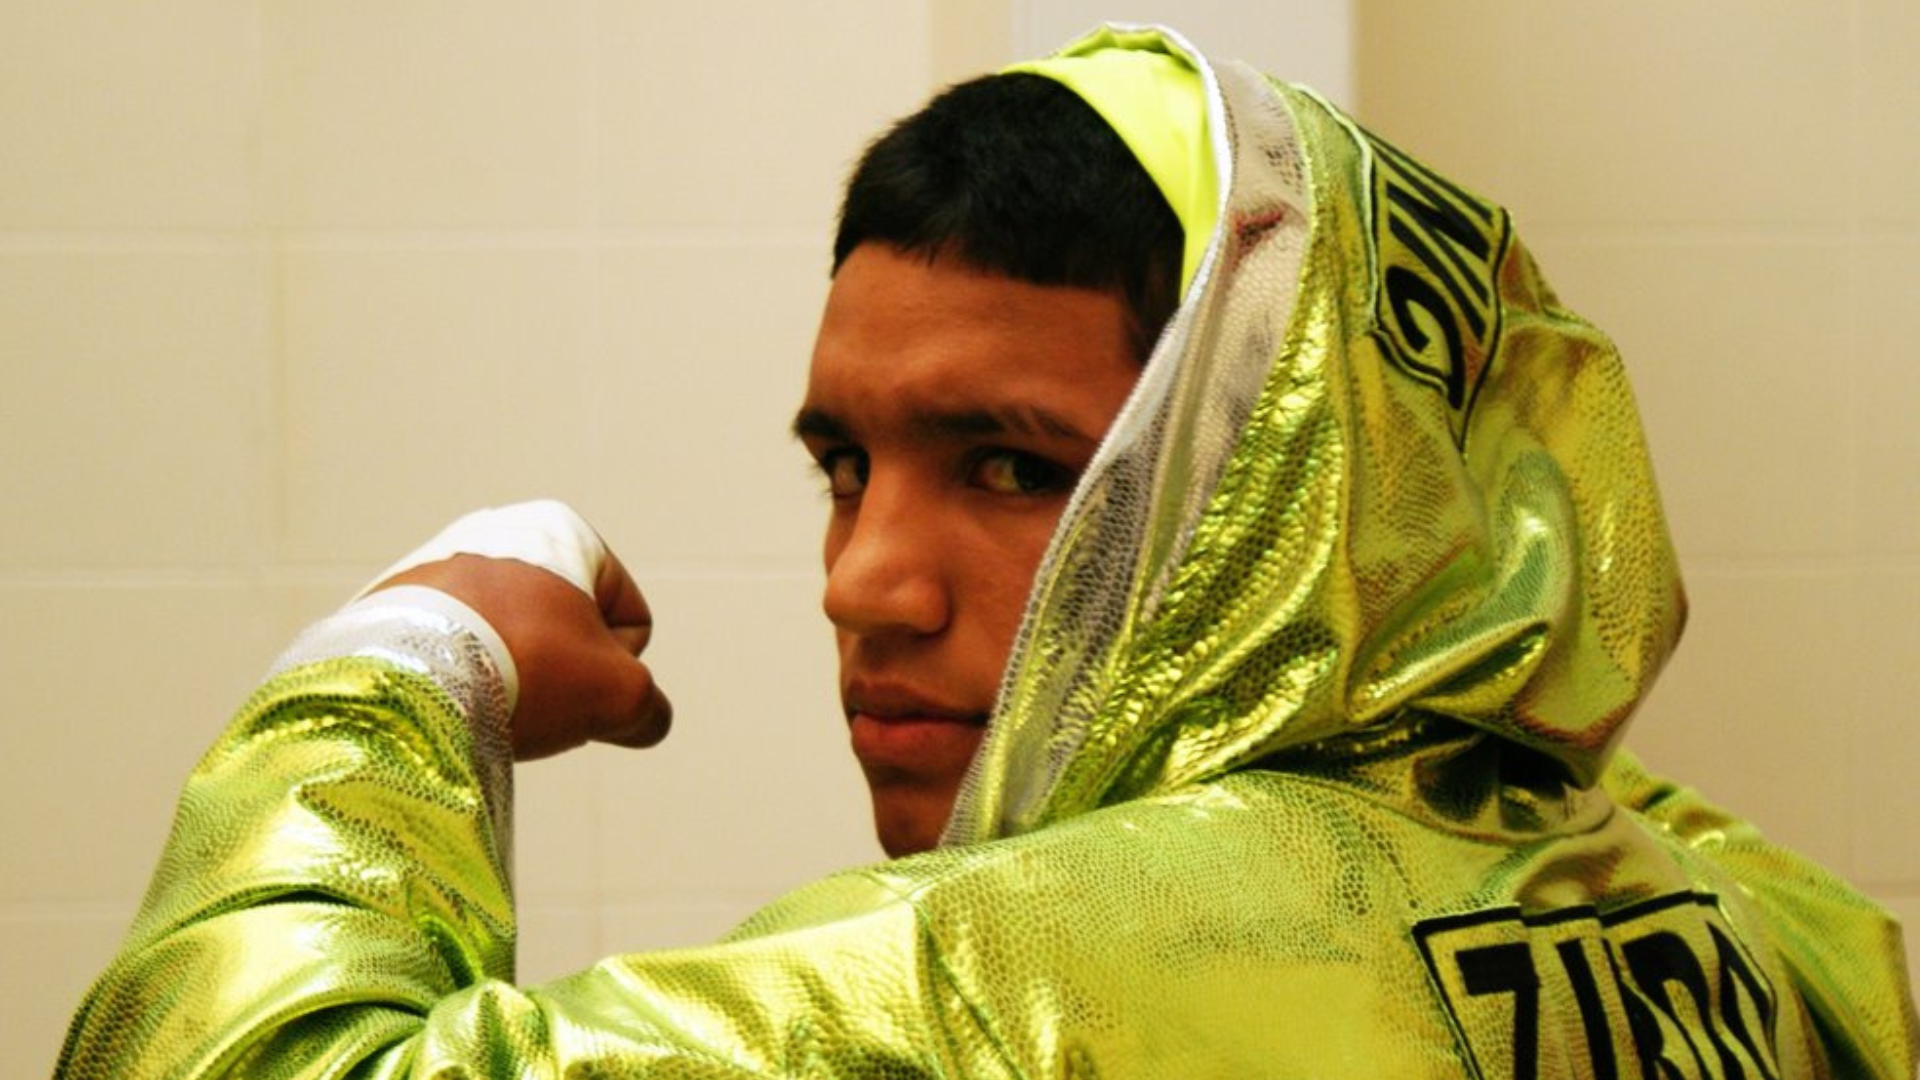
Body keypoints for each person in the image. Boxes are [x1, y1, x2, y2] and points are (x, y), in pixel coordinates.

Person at [54, 24, 1917, 1080]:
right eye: (842, 467)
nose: (863, 581)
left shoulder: (990, 1000)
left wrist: (396, 671)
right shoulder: (1741, 925)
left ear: (1288, 503)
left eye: (1016, 470)